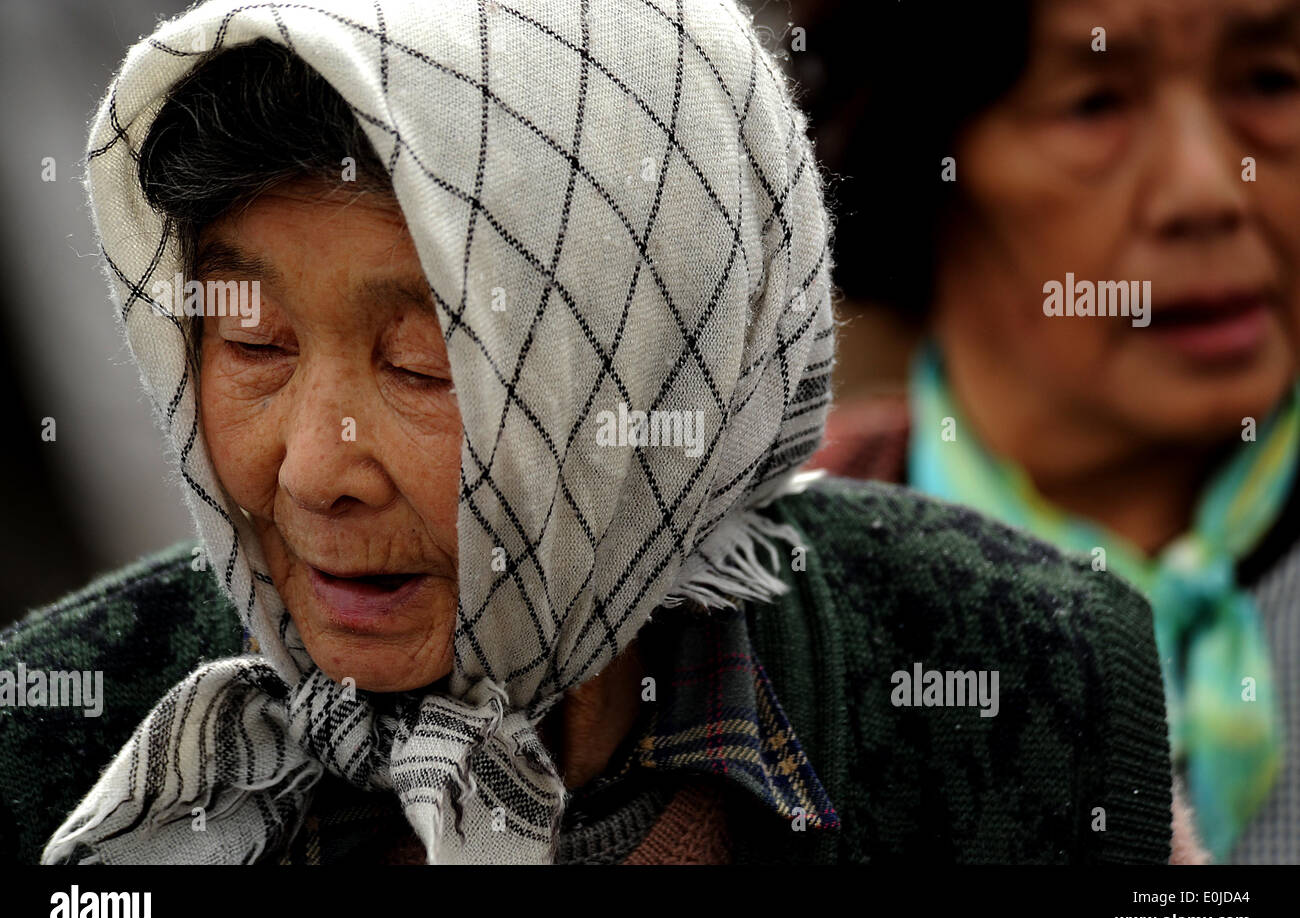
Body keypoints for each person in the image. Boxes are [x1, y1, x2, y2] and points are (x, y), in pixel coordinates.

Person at [1, 0, 1177, 865]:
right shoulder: (56, 722)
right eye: (253, 345)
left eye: (423, 364)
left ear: (654, 346)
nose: (312, 471)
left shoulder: (1021, 691)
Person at [806, 0, 1300, 863]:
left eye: (1269, 81)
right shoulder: (757, 590)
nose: (1209, 190)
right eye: (1095, 104)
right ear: (926, 157)